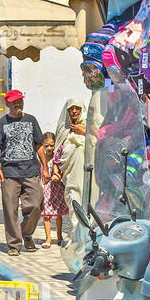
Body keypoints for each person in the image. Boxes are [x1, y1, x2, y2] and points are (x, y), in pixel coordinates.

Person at [0, 89, 47, 256]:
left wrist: (45, 167)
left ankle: (26, 233)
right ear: (8, 103)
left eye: (20, 100)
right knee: (10, 210)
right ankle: (14, 244)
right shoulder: (2, 123)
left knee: (36, 204)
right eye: (14, 101)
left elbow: (39, 145)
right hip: (9, 172)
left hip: (31, 170)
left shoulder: (31, 120)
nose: (18, 104)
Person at [55, 97, 86, 245]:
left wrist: (85, 132)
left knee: (85, 202)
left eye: (77, 108)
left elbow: (98, 143)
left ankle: (85, 235)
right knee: (74, 200)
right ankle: (76, 234)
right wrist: (55, 169)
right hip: (70, 175)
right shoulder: (64, 130)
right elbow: (57, 151)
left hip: (86, 176)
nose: (74, 111)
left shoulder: (89, 127)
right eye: (71, 109)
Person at [39, 132, 66, 248]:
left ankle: (59, 236)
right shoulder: (41, 158)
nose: (49, 148)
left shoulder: (58, 157)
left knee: (58, 214)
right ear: (42, 146)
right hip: (45, 188)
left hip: (57, 189)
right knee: (46, 215)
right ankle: (48, 238)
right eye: (46, 146)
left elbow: (63, 170)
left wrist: (58, 176)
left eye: (52, 145)